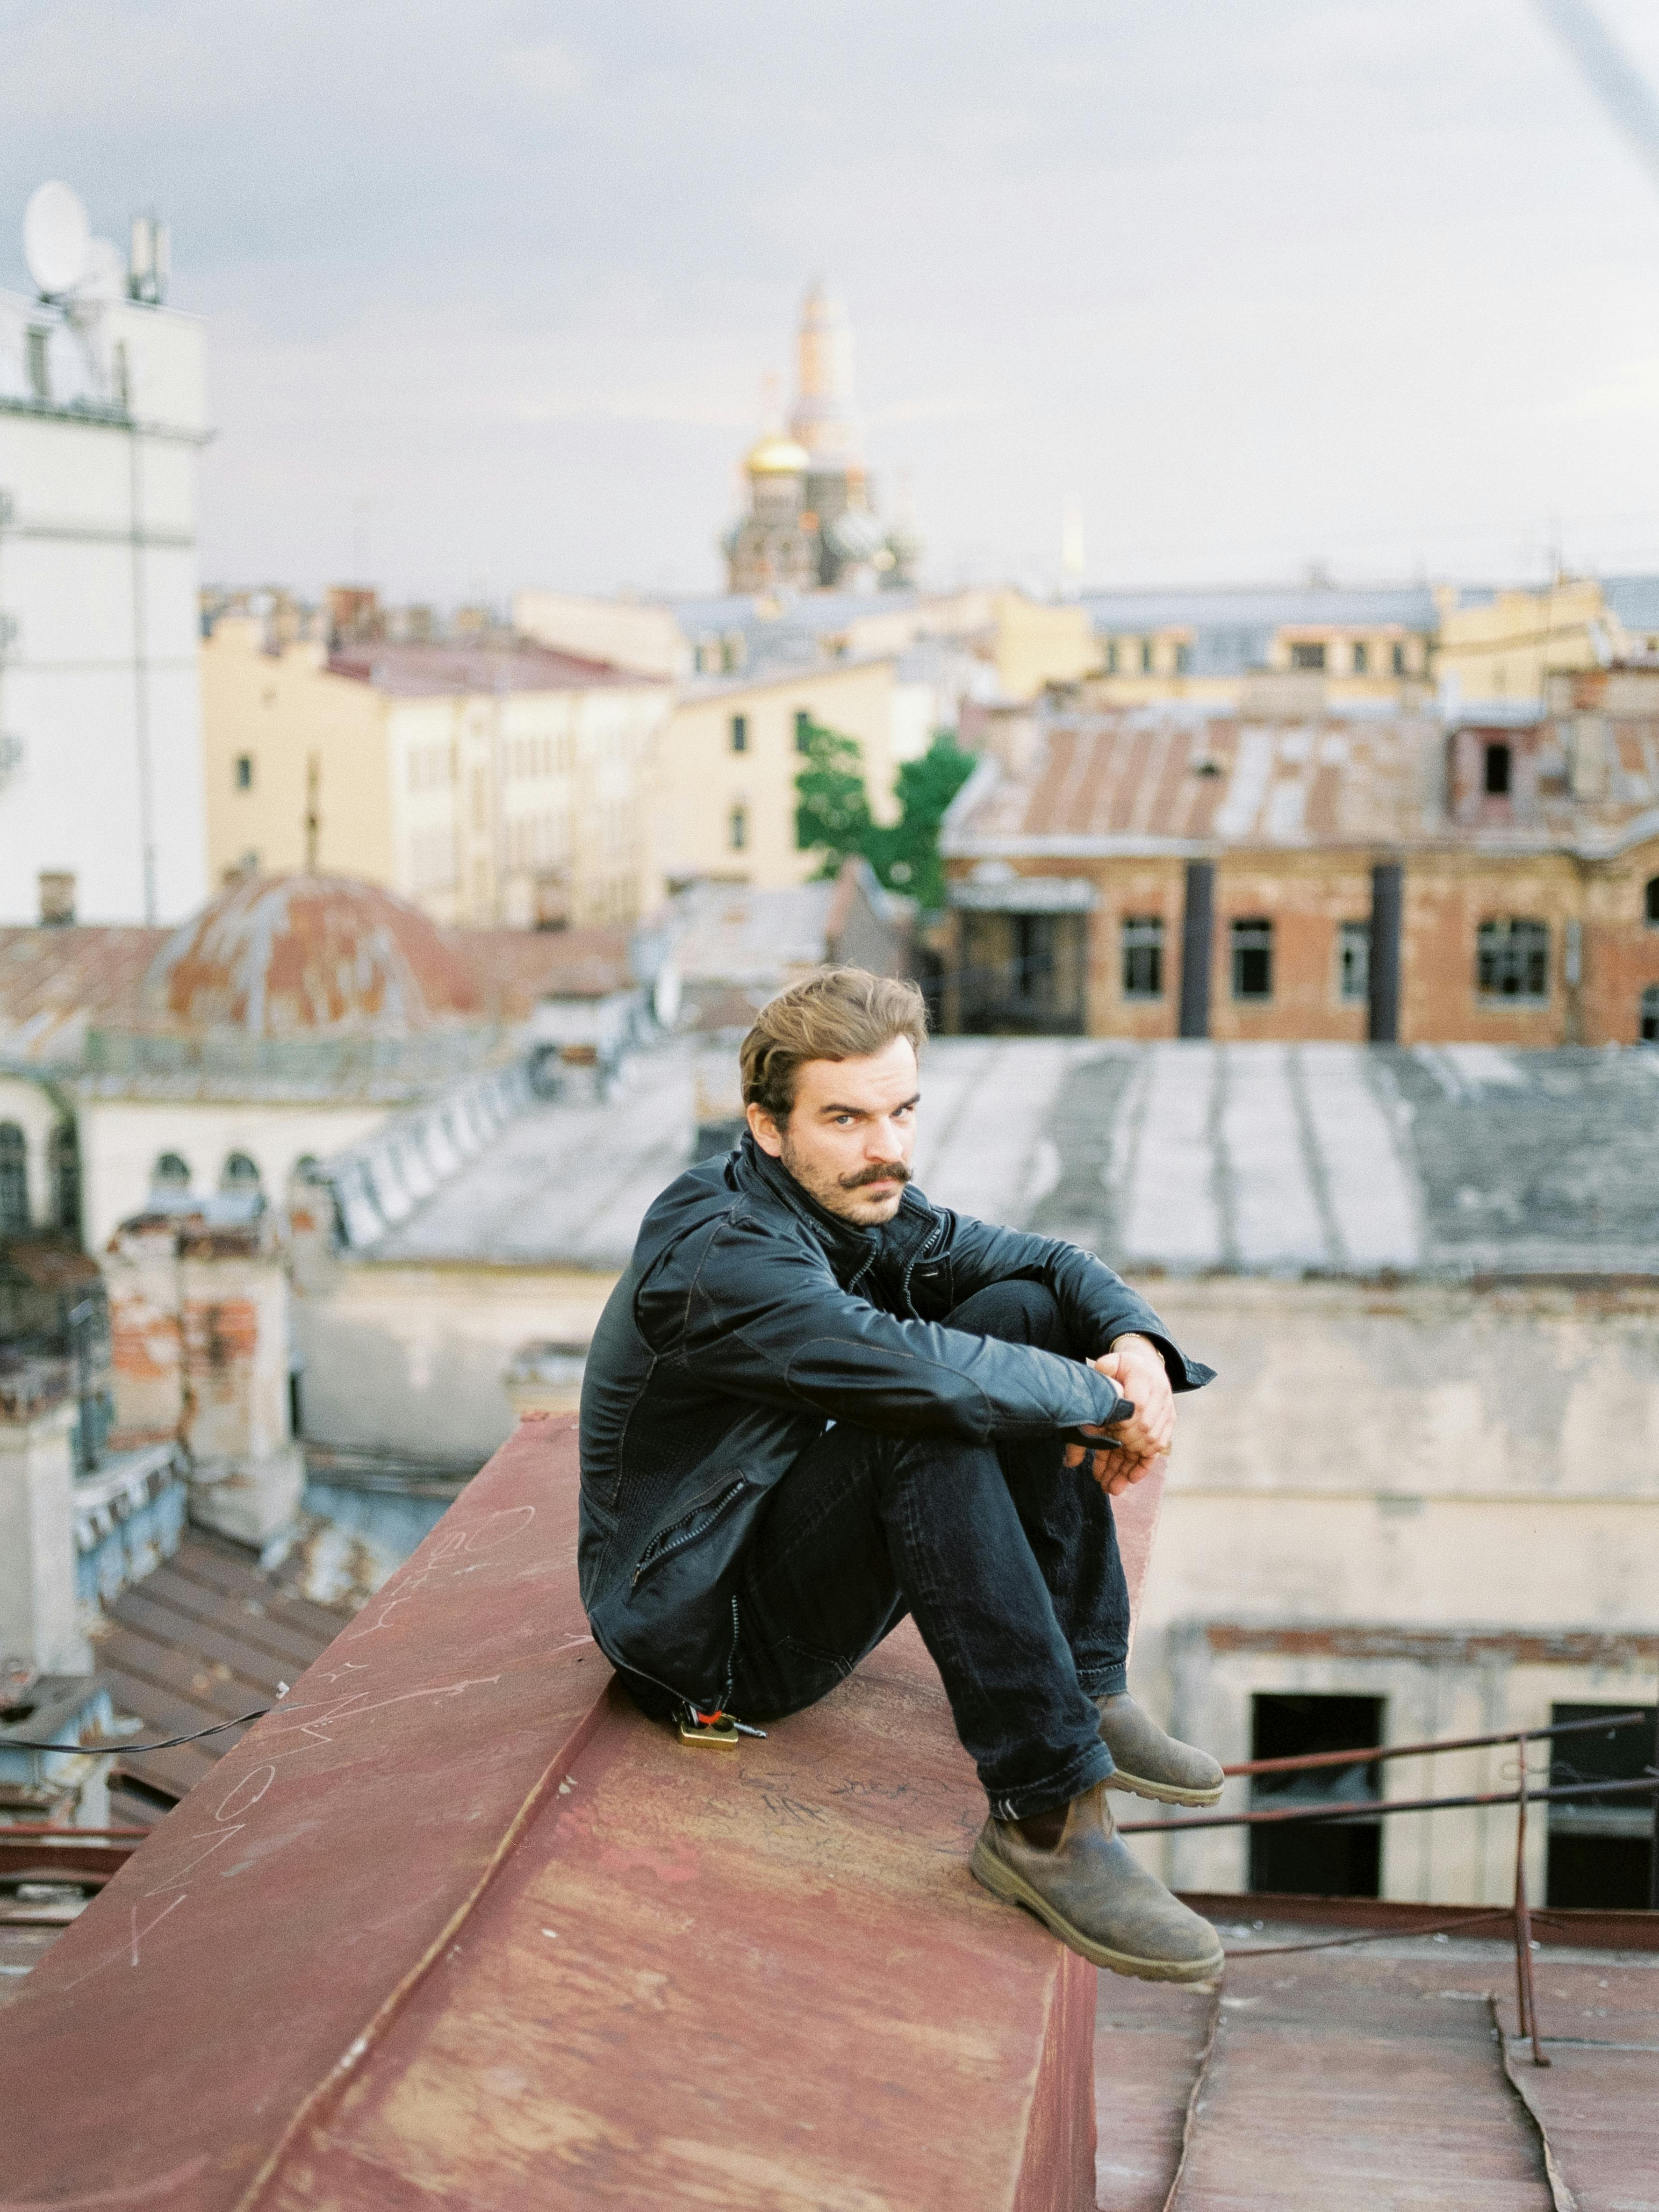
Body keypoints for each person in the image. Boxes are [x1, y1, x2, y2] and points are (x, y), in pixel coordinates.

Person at [578, 967, 1226, 1982]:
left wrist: (1134, 1348)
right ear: (765, 1124)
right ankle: (1045, 1817)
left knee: (1020, 1309)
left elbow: (1047, 1263)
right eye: (844, 1117)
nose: (886, 1148)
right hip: (712, 1632)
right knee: (921, 1414)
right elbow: (915, 1375)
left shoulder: (854, 1198)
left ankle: (1087, 1684)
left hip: (779, 1524)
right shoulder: (717, 1254)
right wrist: (1102, 1407)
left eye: (901, 1111)